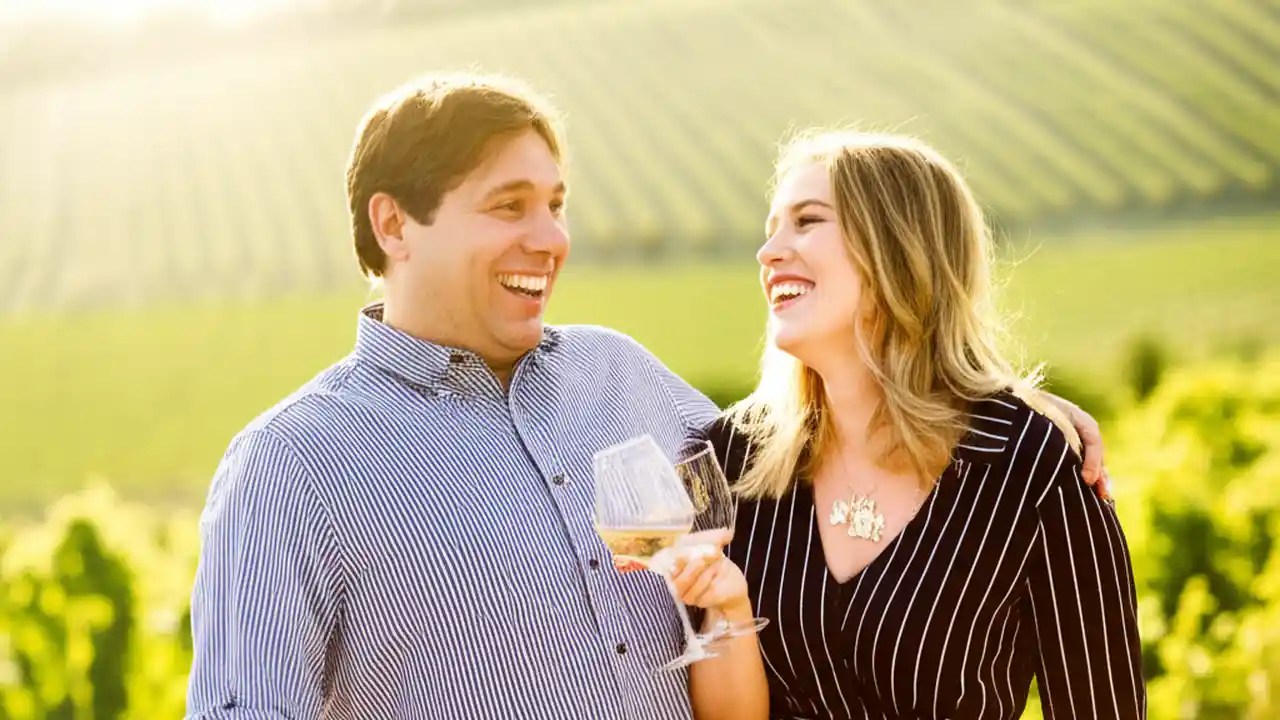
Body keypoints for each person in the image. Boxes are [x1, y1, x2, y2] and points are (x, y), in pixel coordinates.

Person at [185, 72, 1111, 719]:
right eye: (510, 207)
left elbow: (822, 422)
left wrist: (1007, 410)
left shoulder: (625, 379)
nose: (551, 237)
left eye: (557, 203)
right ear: (395, 224)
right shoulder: (290, 468)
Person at [671, 131, 1144, 719]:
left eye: (807, 221)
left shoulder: (1027, 463)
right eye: (771, 229)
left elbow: (1103, 705)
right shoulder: (732, 459)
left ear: (897, 246)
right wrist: (726, 615)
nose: (768, 253)